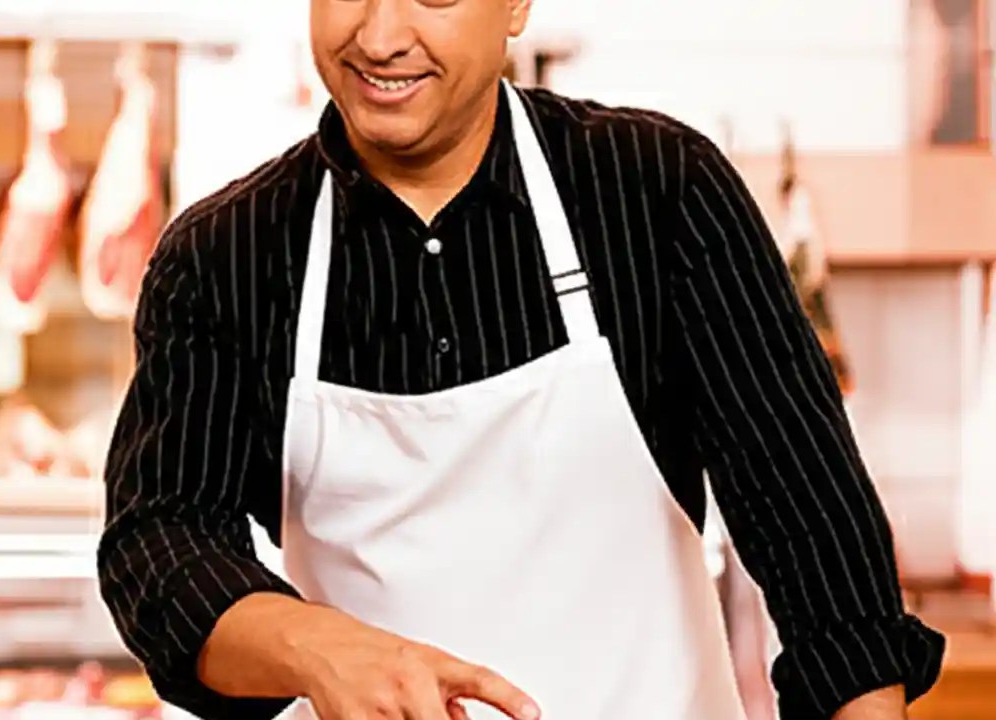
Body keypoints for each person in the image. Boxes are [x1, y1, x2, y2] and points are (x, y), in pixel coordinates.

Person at [98, 2, 945, 719]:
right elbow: (159, 542)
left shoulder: (657, 191)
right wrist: (316, 646)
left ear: (516, 4)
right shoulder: (225, 257)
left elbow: (814, 530)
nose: (380, 36)